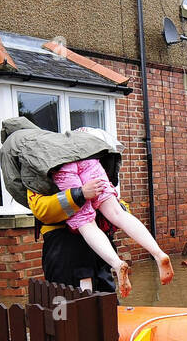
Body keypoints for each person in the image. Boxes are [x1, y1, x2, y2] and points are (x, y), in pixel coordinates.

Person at [49, 127, 173, 298]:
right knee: (117, 213)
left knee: (86, 223)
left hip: (64, 167)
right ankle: (158, 253)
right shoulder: (88, 139)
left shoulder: (52, 147)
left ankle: (117, 264)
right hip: (91, 163)